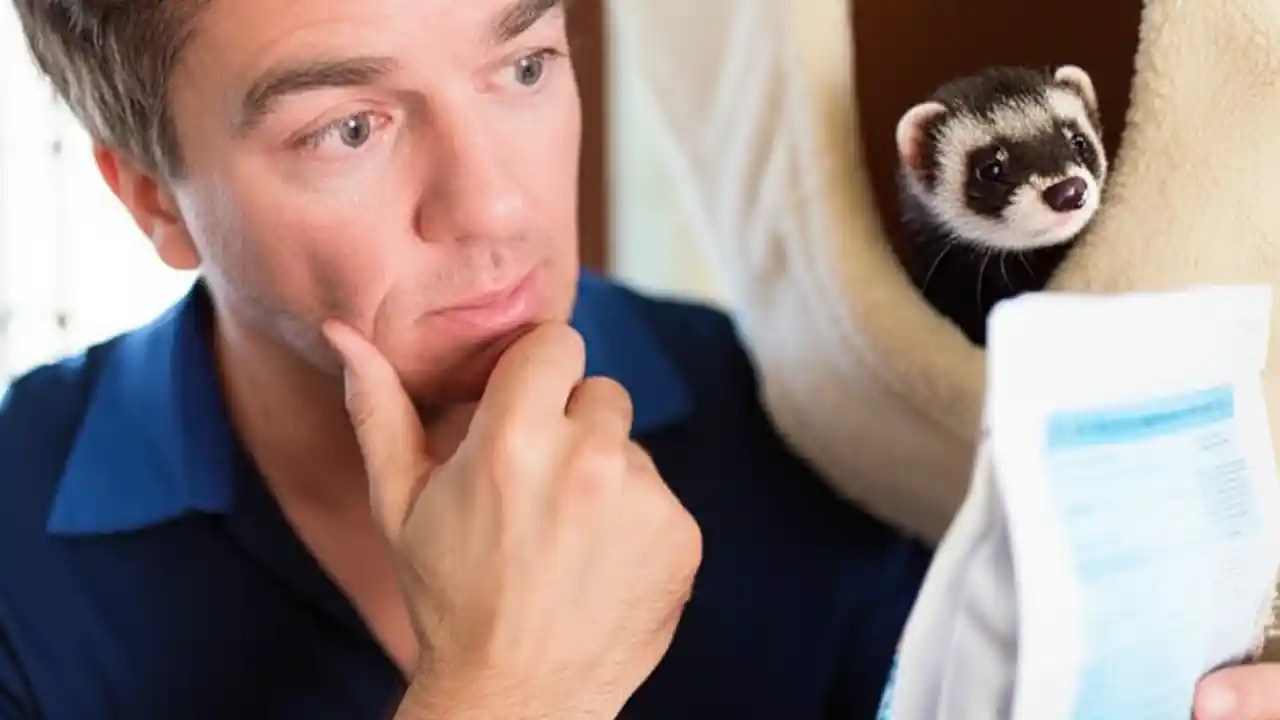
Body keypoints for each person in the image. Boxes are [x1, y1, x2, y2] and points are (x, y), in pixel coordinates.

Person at [0, 0, 932, 717]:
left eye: (525, 67)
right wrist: (508, 692)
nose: (494, 207)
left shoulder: (813, 427)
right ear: (154, 198)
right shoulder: (17, 538)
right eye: (349, 129)